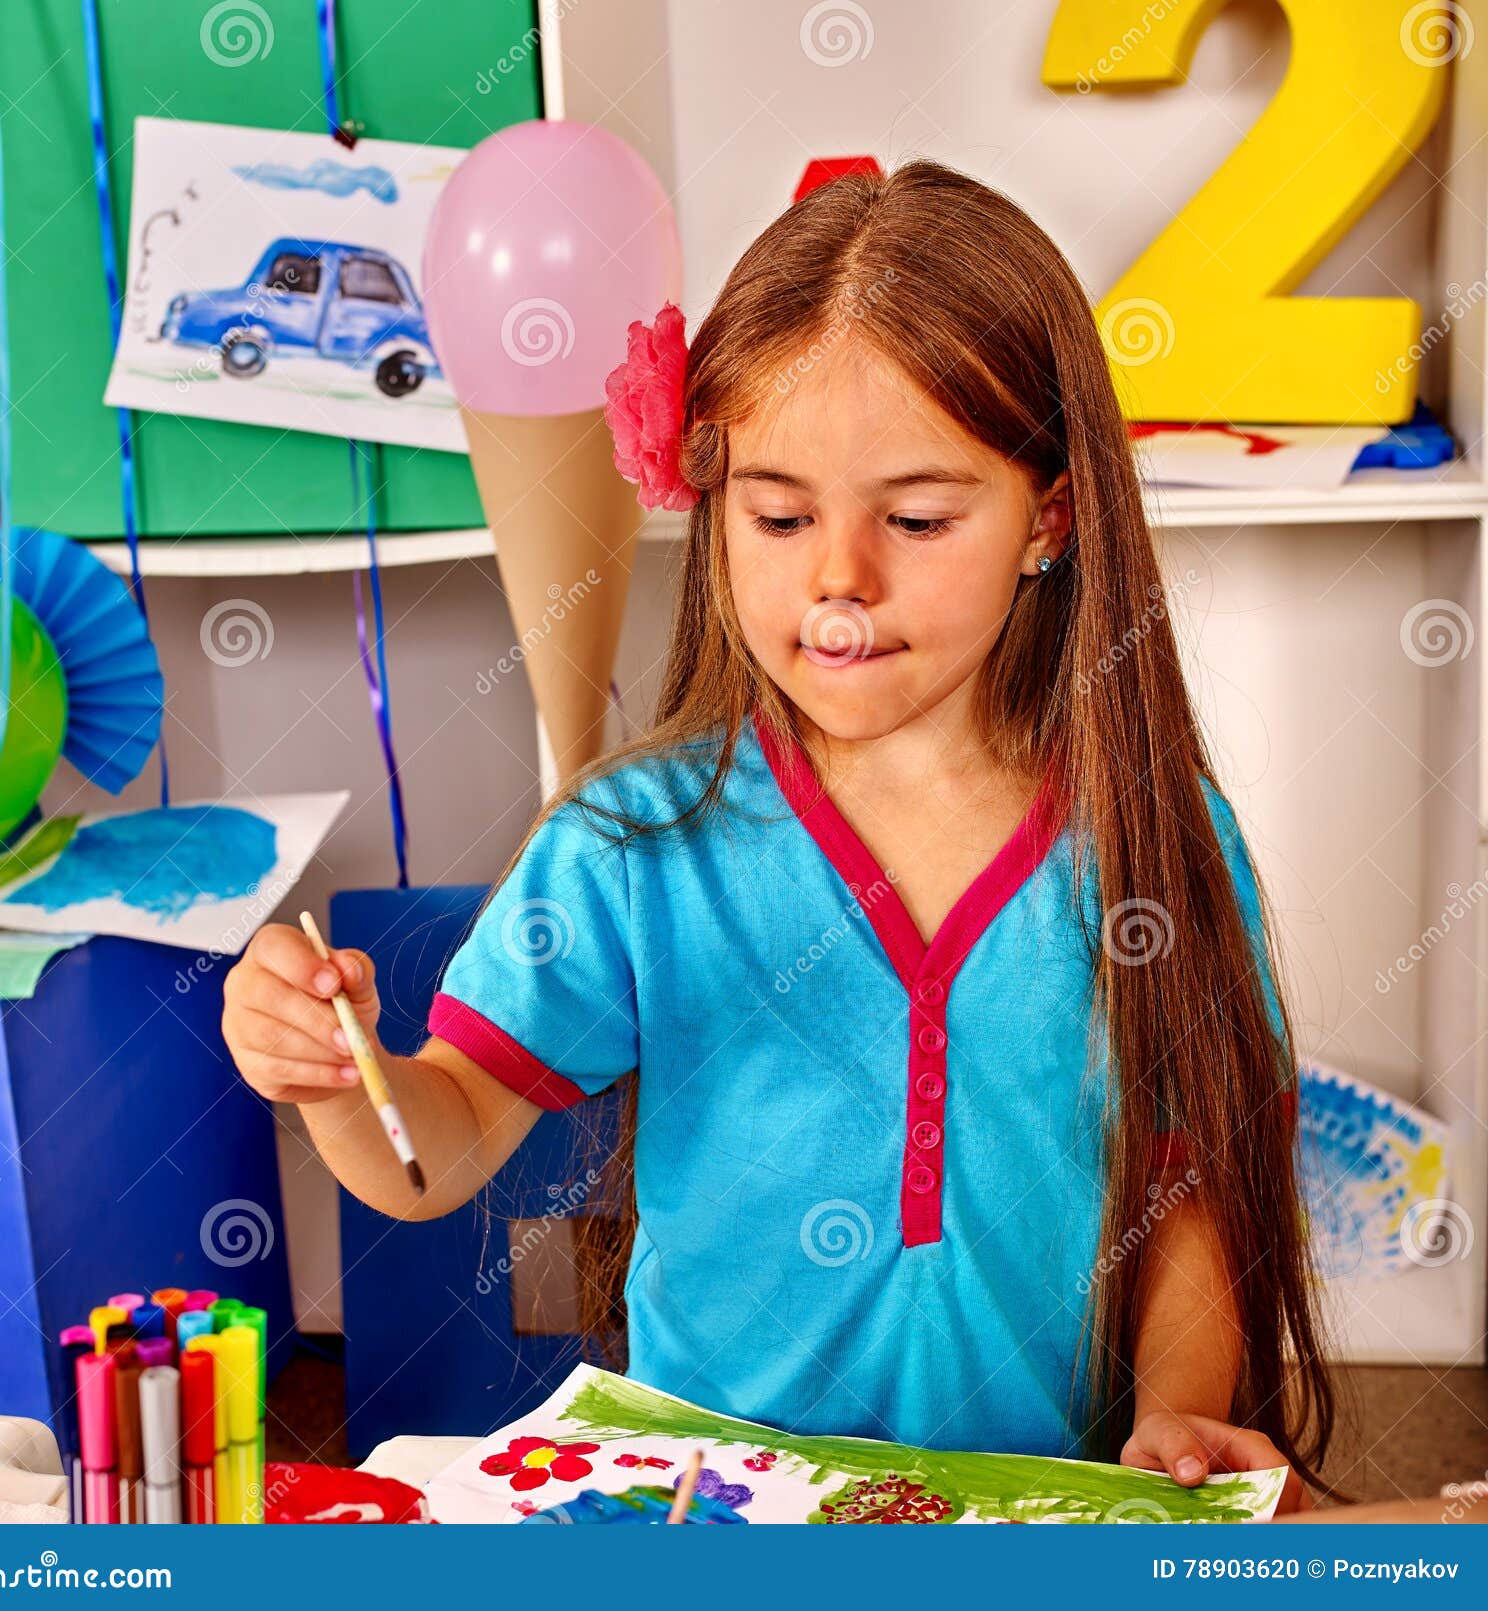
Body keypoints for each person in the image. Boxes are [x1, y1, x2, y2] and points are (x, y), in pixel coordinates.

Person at [223, 159, 1332, 1508]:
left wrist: (1175, 1411)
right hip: (715, 1517)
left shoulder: (1159, 840)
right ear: (715, 503)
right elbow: (436, 1143)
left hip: (1038, 1508)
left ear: (1048, 518)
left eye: (917, 518)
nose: (839, 577)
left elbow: (1193, 1185)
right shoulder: (633, 842)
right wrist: (341, 1081)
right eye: (782, 514)